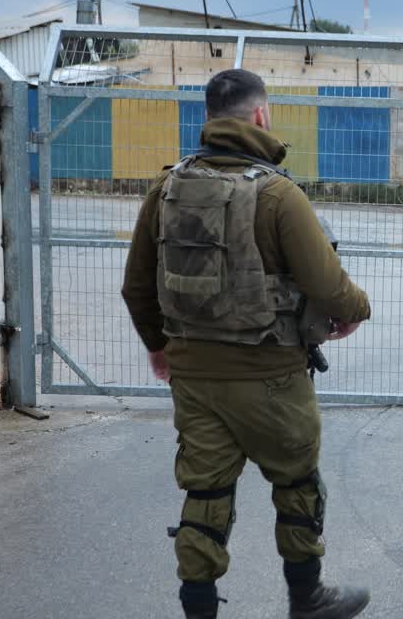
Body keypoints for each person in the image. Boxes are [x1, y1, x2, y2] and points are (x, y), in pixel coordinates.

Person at [121, 68, 372, 619]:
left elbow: (136, 285)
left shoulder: (167, 188)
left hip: (194, 379)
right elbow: (327, 284)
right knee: (297, 483)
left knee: (205, 495)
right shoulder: (279, 194)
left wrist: (160, 347)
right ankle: (307, 598)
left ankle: (199, 609)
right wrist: (356, 311)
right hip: (272, 377)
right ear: (261, 116)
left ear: (209, 118)